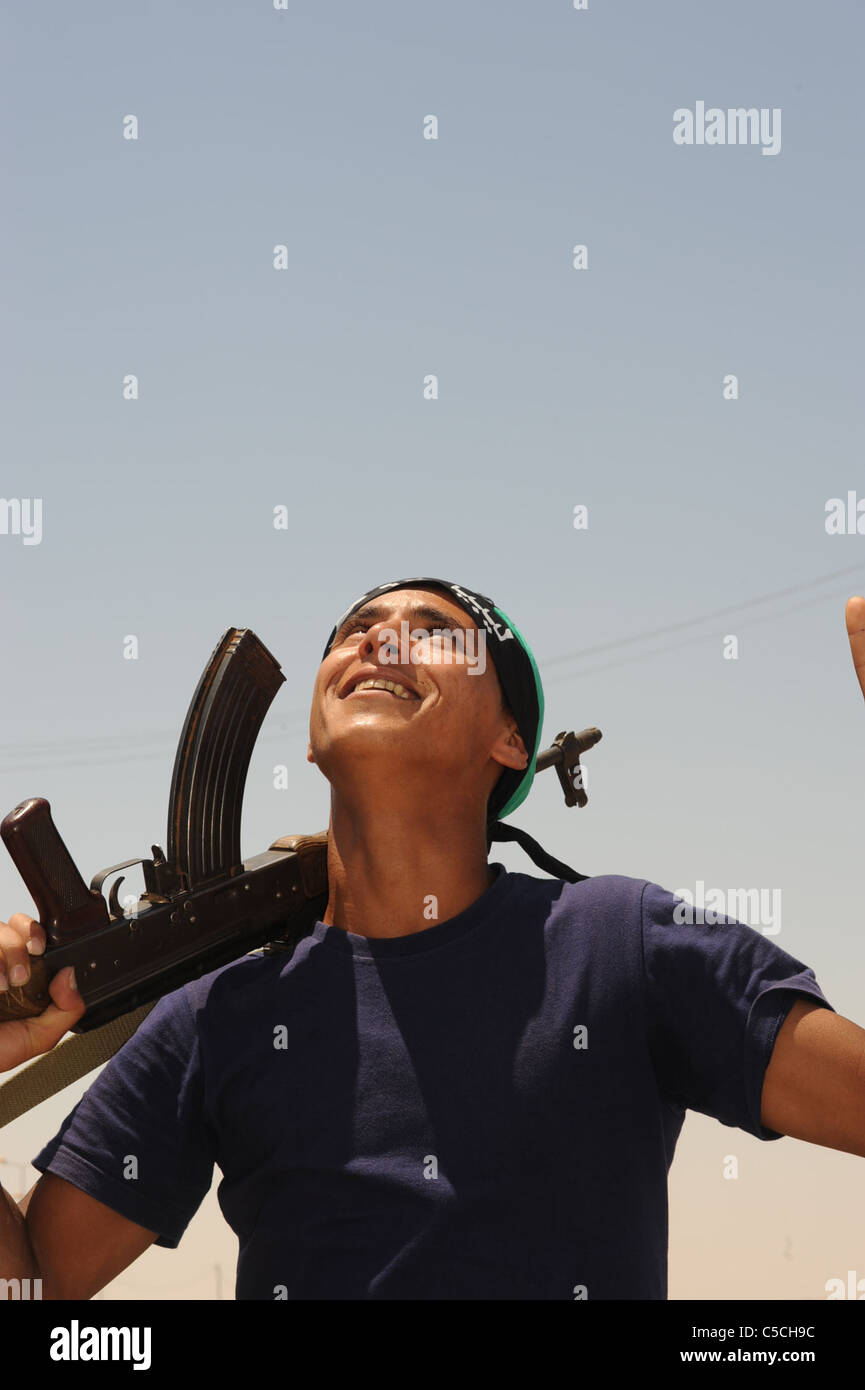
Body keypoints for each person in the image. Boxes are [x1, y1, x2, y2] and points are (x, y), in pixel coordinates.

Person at [1, 577, 864, 1300]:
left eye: (435, 634)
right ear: (310, 738)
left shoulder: (622, 942)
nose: (380, 641)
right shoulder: (218, 1012)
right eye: (357, 630)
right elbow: (29, 1290)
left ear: (510, 742)